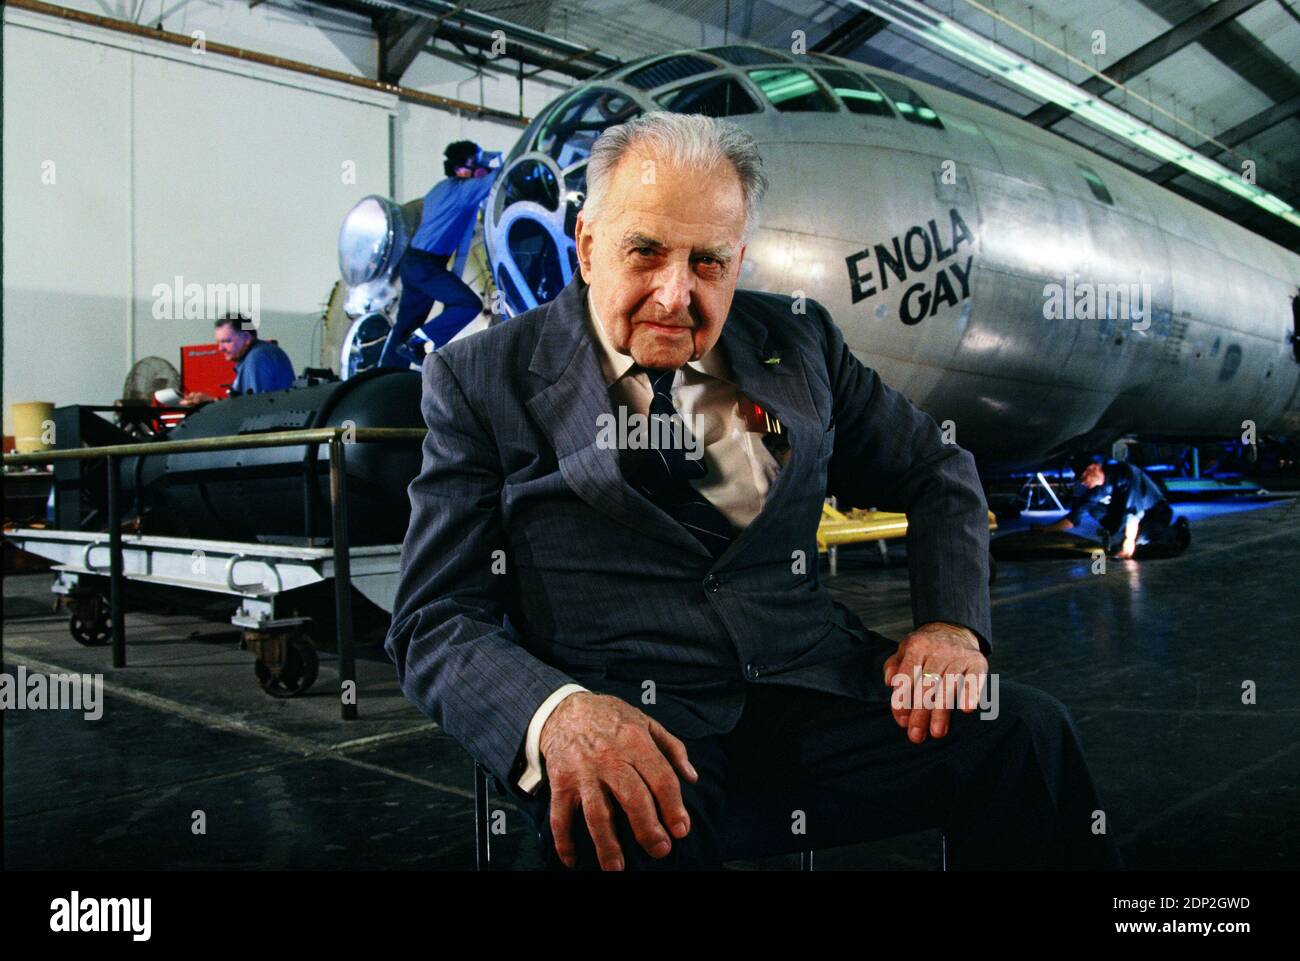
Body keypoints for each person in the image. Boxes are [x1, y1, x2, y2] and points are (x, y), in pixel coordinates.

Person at [385, 112, 1123, 871]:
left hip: (811, 688)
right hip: (632, 714)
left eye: (707, 262)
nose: (675, 295)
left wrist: (949, 627)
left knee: (1026, 737)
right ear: (588, 244)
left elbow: (935, 469)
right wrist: (556, 715)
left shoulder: (801, 343)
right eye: (645, 252)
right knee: (626, 822)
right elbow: (434, 618)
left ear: (739, 260)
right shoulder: (481, 379)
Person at [379, 140, 502, 368]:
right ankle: (419, 341)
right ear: (461, 169)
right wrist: (495, 159)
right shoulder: (464, 191)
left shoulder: (440, 188)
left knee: (405, 324)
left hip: (413, 262)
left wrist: (482, 161)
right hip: (426, 266)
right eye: (475, 163)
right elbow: (499, 178)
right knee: (468, 305)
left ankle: (384, 374)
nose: (479, 168)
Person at [1033, 457, 1187, 559]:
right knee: (1094, 508)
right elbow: (1074, 517)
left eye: (1083, 477)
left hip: (1154, 513)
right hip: (1131, 519)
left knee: (1142, 545)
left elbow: (1134, 512)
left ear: (1094, 468)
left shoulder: (1125, 473)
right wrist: (1047, 530)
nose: (1082, 482)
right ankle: (1129, 537)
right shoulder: (1096, 491)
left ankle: (1178, 529)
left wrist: (1129, 540)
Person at [182, 315, 295, 404]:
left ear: (246, 338)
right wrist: (210, 401)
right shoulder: (261, 353)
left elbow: (255, 408)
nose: (221, 349)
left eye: (226, 341)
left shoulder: (257, 358)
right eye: (218, 343)